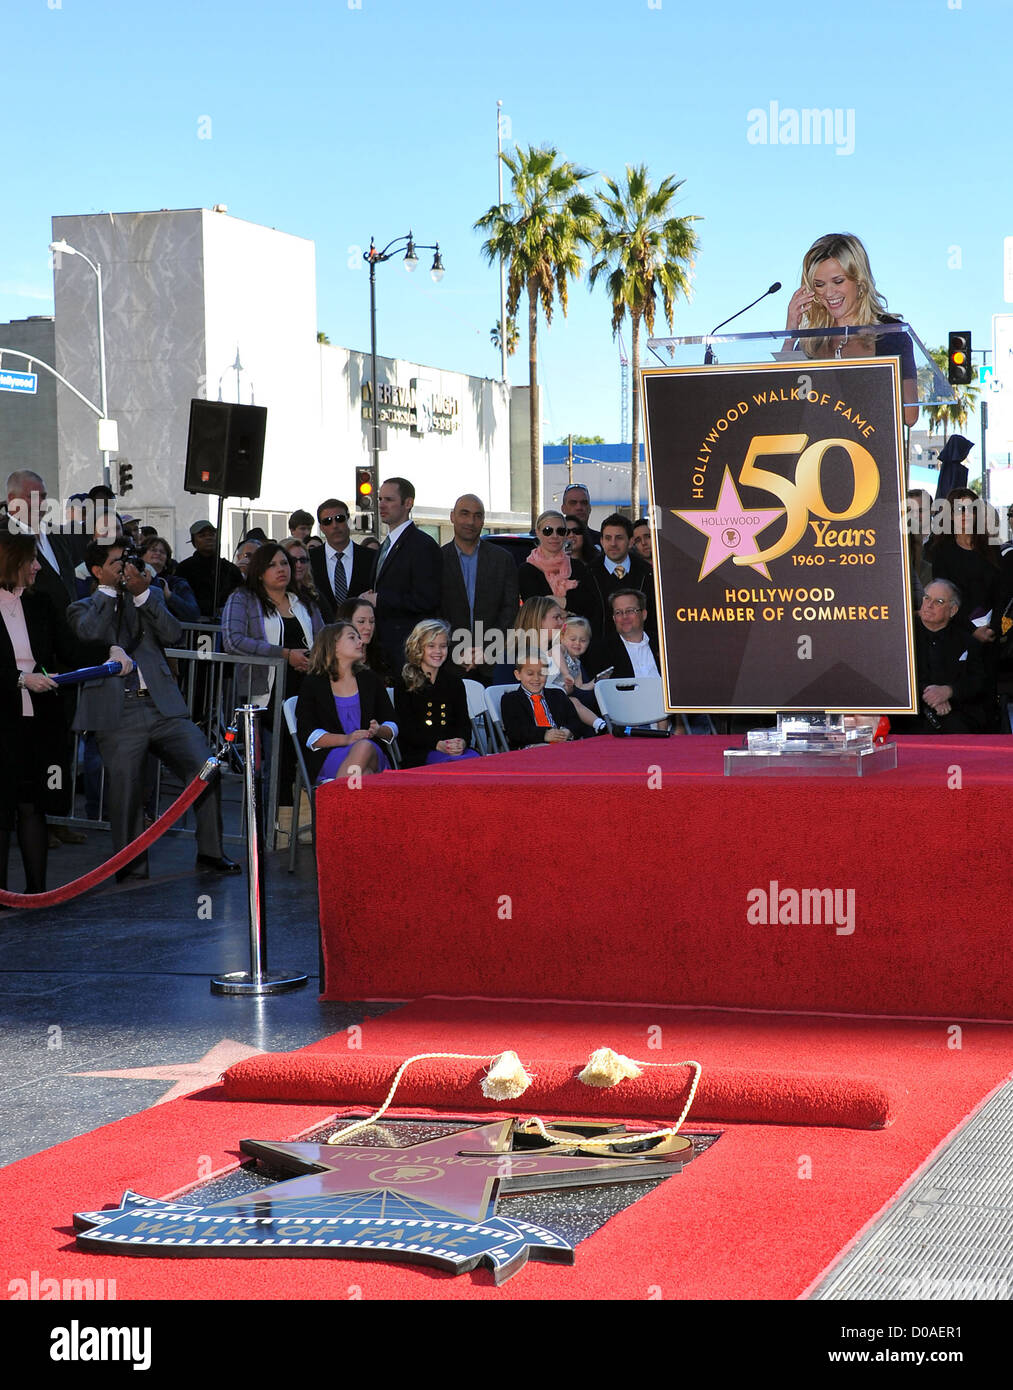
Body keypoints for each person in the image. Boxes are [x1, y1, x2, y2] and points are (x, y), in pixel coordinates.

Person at [67, 540, 240, 878]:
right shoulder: (82, 607)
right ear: (97, 570)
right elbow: (89, 634)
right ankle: (131, 866)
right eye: (116, 562)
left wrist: (143, 594)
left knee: (206, 767)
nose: (124, 567)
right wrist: (107, 592)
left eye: (127, 560)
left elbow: (174, 633)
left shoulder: (147, 596)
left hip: (163, 706)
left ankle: (211, 851)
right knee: (126, 790)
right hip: (118, 713)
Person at [0, 532, 128, 894]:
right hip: (3, 722)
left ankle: (37, 893)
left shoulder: (40, 604)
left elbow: (71, 648)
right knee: (1, 814)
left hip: (40, 722)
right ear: (12, 563)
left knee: (33, 806)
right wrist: (19, 679)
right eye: (31, 560)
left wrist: (111, 651)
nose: (38, 566)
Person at [221, 543, 324, 831]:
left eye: (285, 564)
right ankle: (279, 826)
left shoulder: (302, 601)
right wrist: (283, 654)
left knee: (307, 752)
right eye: (273, 565)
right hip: (265, 692)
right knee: (279, 757)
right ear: (259, 570)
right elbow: (233, 640)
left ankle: (302, 824)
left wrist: (312, 657)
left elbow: (323, 637)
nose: (282, 569)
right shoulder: (243, 599)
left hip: (307, 687)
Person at [785, 232, 919, 427]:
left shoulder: (891, 334)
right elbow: (783, 407)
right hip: (815, 453)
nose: (829, 293)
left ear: (859, 279)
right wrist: (790, 334)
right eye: (820, 285)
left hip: (872, 453)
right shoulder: (811, 343)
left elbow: (910, 415)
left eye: (838, 281)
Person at [296, 622, 397, 783]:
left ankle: (336, 799)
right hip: (331, 756)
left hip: (372, 752)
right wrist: (347, 739)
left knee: (364, 746)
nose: (360, 642)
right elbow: (308, 734)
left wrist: (378, 730)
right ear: (333, 645)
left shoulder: (369, 679)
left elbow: (392, 724)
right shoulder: (314, 683)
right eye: (352, 637)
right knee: (365, 776)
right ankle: (345, 799)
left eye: (359, 638)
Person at [361, 477, 442, 671]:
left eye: (389, 500)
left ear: (408, 503)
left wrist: (380, 599)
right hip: (382, 649)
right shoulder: (385, 546)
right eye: (380, 499)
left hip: (408, 649)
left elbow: (427, 599)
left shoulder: (422, 545)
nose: (382, 505)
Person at [440, 493, 518, 684]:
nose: (471, 521)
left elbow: (510, 610)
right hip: (449, 662)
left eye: (478, 515)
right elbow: (434, 611)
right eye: (464, 514)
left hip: (494, 662)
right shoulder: (436, 559)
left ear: (483, 520)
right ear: (452, 517)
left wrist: (486, 649)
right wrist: (456, 650)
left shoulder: (503, 559)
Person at [892, 580, 988, 734]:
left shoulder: (967, 642)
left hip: (954, 715)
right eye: (926, 598)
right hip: (909, 717)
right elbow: (890, 676)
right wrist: (930, 694)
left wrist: (949, 691)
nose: (929, 605)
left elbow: (978, 681)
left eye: (939, 602)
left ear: (953, 610)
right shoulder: (900, 635)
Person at [394, 618, 480, 768]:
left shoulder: (454, 683)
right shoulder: (405, 683)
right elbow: (407, 729)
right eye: (431, 646)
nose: (438, 651)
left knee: (478, 763)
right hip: (421, 753)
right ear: (418, 648)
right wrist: (437, 744)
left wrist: (462, 741)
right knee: (455, 766)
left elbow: (464, 724)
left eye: (443, 646)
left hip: (455, 751)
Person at [517, 509, 604, 638]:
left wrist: (554, 600)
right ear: (538, 533)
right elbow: (537, 610)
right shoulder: (527, 569)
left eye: (561, 531)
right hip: (541, 642)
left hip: (577, 642)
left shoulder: (577, 567)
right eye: (548, 530)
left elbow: (589, 605)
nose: (554, 535)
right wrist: (569, 605)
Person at [309, 498, 376, 623]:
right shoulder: (309, 560)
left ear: (349, 521)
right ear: (321, 528)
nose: (334, 525)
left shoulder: (371, 558)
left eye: (339, 519)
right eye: (327, 521)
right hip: (323, 635)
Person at [589, 513, 656, 636]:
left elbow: (654, 617)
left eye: (619, 538)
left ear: (630, 542)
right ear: (601, 541)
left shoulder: (648, 573)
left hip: (639, 650)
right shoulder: (588, 574)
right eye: (608, 538)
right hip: (600, 651)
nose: (613, 543)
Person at [500, 658, 585, 748]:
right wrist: (544, 734)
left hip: (564, 743)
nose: (536, 678)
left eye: (542, 673)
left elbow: (576, 721)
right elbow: (515, 732)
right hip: (532, 746)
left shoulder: (558, 695)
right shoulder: (510, 700)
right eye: (530, 674)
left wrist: (568, 731)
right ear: (518, 675)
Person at [174, 521, 243, 619]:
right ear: (194, 542)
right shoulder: (184, 568)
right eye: (202, 535)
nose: (209, 538)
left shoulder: (231, 569)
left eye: (212, 534)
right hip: (195, 626)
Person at [138, 536, 200, 623]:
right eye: (153, 550)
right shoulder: (133, 578)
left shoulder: (177, 583)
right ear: (141, 556)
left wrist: (169, 596)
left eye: (162, 552)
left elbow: (194, 614)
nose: (158, 553)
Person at [336, 596, 391, 683]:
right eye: (361, 621)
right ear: (345, 623)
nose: (369, 627)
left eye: (372, 621)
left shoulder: (383, 658)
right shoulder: (333, 662)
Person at [560, 483, 601, 552]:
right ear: (563, 508)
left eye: (584, 503)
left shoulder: (602, 540)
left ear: (590, 508)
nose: (579, 507)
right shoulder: (555, 540)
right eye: (573, 503)